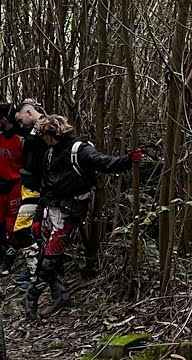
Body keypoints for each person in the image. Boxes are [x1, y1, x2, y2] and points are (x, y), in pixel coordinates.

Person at [25, 114, 144, 320]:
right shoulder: (51, 154)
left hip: (69, 211)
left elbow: (103, 162)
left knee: (50, 259)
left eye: (45, 135)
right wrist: (37, 218)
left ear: (52, 134)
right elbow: (46, 187)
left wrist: (128, 160)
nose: (43, 139)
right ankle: (59, 295)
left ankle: (32, 298)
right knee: (46, 256)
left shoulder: (79, 150)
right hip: (50, 211)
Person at [13, 99, 49, 288]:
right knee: (32, 233)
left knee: (22, 230)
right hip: (29, 188)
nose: (21, 125)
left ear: (29, 113)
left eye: (21, 120)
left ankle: (35, 275)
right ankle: (33, 271)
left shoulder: (47, 128)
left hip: (38, 189)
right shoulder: (30, 130)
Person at [0, 103, 24, 278]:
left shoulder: (21, 138)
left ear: (4, 119)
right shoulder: (2, 136)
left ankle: (7, 262)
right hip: (1, 187)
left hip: (16, 187)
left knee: (12, 226)